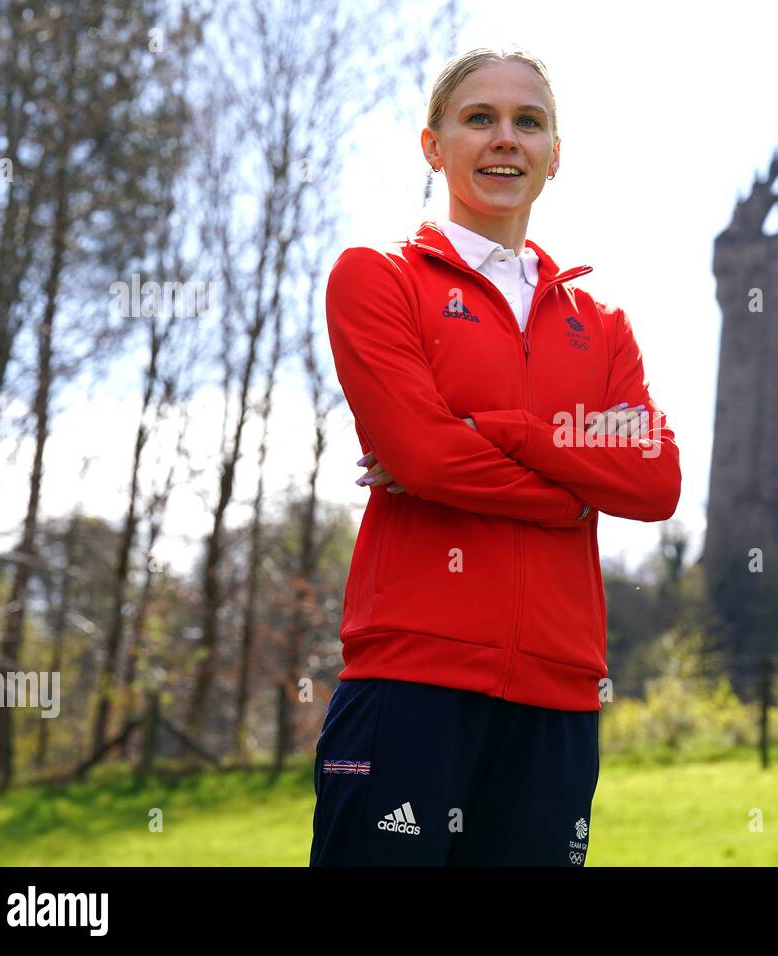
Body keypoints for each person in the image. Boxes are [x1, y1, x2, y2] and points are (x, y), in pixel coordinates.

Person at [310, 45, 681, 867]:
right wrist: (574, 493)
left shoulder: (604, 323)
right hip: (411, 683)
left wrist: (505, 429)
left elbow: (655, 480)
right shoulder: (377, 279)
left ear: (556, 157)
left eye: (529, 122)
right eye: (480, 118)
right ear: (434, 147)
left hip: (559, 696)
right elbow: (425, 456)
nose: (505, 138)